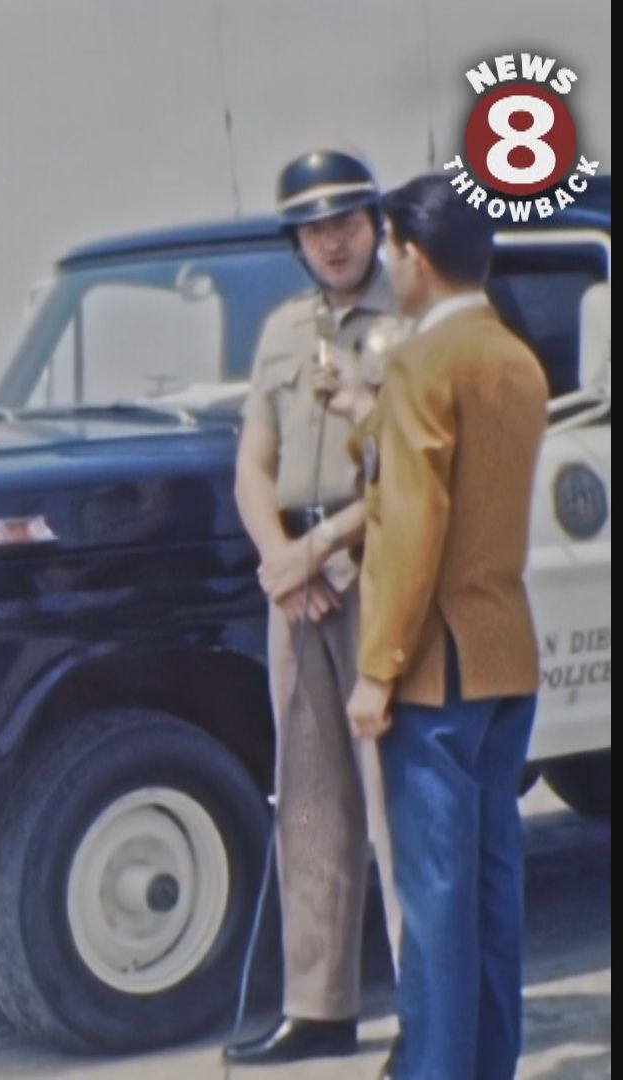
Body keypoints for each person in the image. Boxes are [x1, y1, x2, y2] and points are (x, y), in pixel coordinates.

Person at [333, 176, 549, 1079]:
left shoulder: (425, 362)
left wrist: (378, 669)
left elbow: (416, 522)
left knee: (434, 908)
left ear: (411, 257)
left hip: (436, 671)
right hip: (505, 659)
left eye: (387, 249)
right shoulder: (513, 357)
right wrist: (364, 416)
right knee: (491, 893)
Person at [225, 149, 410, 1066]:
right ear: (295, 241)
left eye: (346, 222)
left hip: (375, 566)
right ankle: (320, 1005)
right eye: (313, 227)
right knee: (308, 797)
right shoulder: (283, 331)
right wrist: (280, 559)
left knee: (396, 802)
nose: (332, 241)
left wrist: (318, 548)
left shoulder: (409, 316)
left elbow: (412, 472)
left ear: (375, 223)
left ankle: (429, 1011)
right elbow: (253, 463)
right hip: (296, 583)